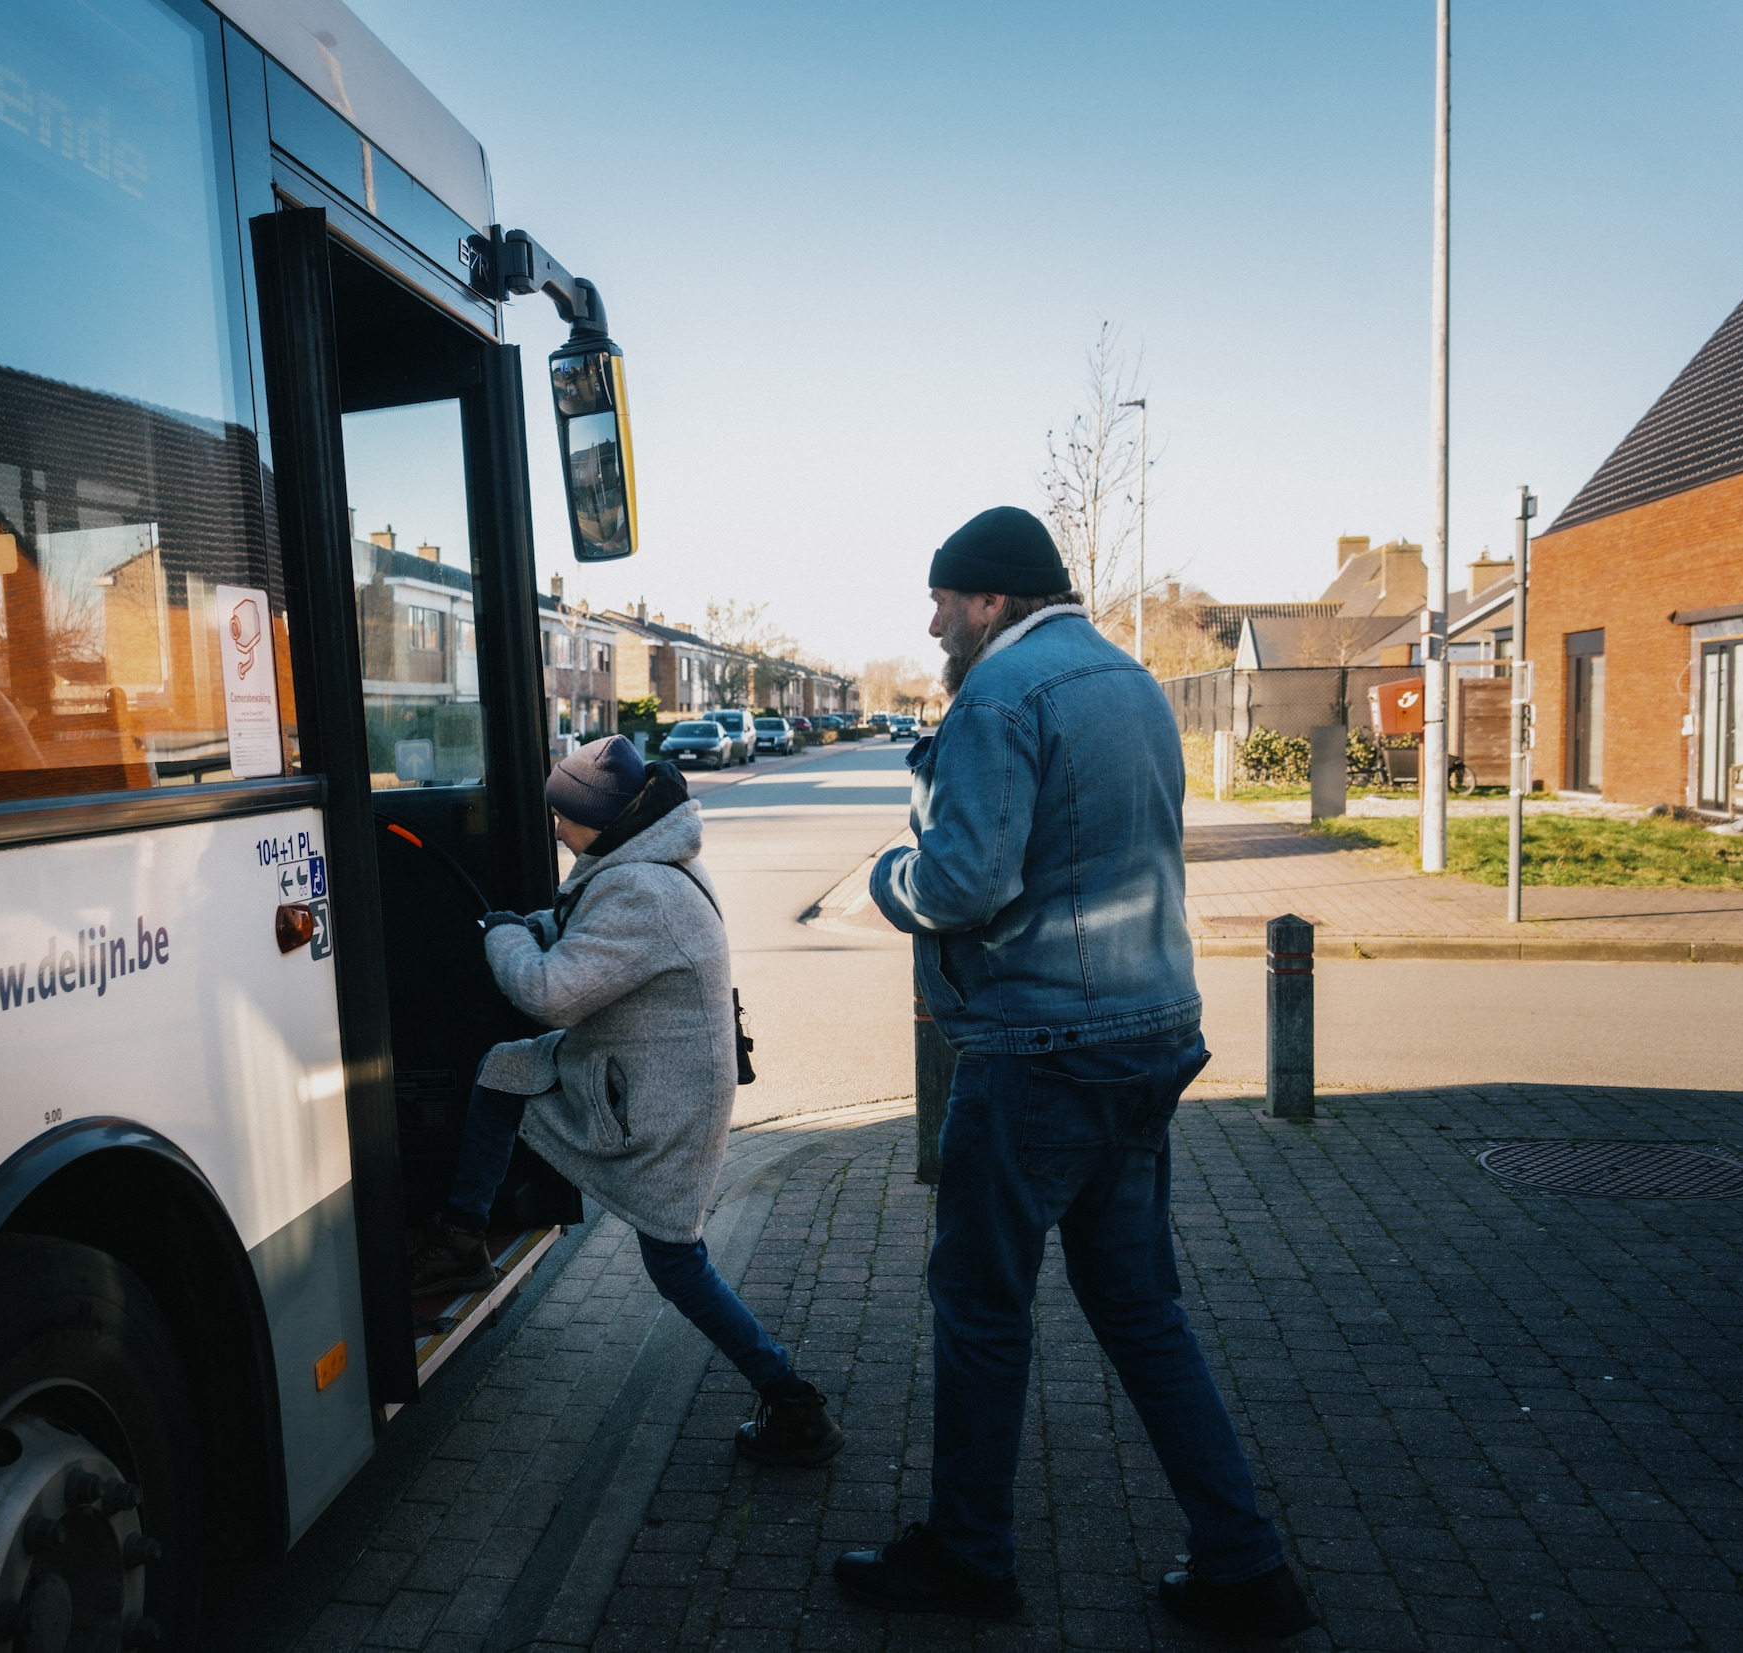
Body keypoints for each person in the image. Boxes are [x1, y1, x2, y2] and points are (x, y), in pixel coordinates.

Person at [836, 508, 1312, 1637]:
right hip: (1145, 1037)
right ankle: (1243, 1565)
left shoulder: (997, 697)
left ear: (989, 600)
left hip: (1039, 1050)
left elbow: (964, 883)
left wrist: (884, 877)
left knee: (981, 1310)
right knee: (1140, 1311)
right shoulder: (1130, 682)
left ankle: (968, 1559)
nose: (933, 619)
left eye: (943, 598)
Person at [410, 734, 843, 1467]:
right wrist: (537, 928)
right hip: (634, 1070)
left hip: (661, 1104)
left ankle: (795, 1403)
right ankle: (462, 1241)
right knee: (501, 1071)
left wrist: (506, 937)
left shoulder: (643, 889)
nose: (552, 825)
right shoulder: (638, 865)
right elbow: (589, 942)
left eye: (560, 813)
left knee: (675, 1262)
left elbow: (550, 993)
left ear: (594, 820)